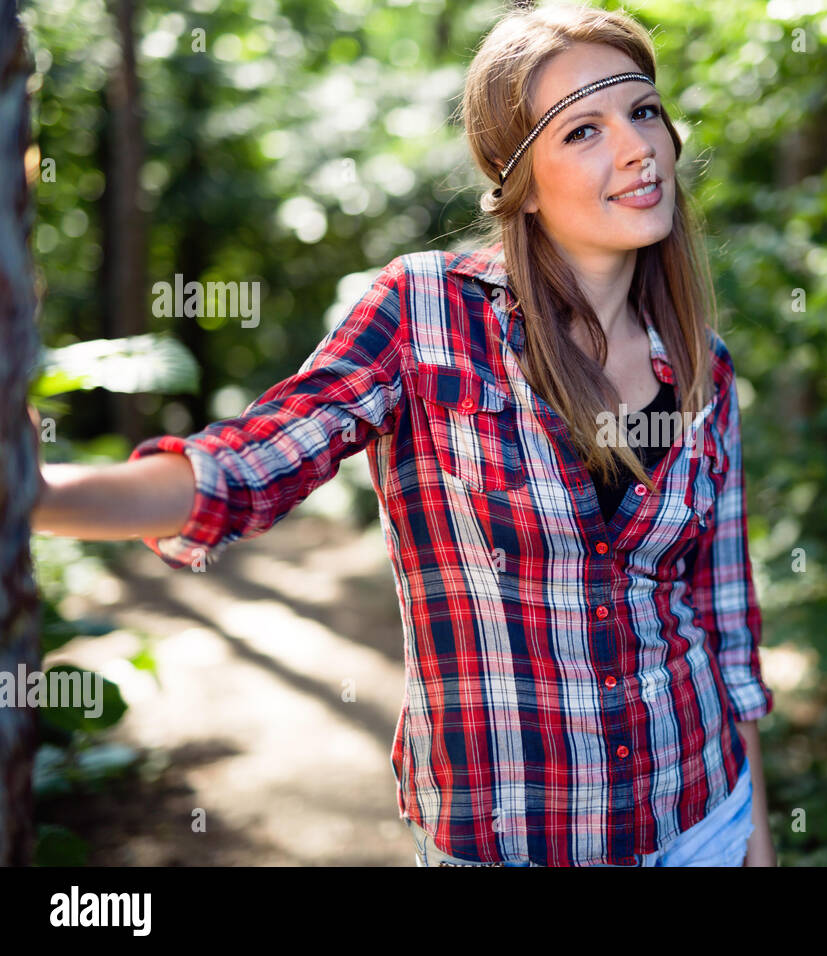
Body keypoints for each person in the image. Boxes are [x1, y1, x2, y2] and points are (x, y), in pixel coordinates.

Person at [29, 2, 776, 867]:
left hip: (700, 815)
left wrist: (755, 842)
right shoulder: (426, 315)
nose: (638, 145)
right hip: (505, 840)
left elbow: (723, 619)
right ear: (518, 182)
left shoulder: (702, 366)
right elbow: (253, 462)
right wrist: (39, 497)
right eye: (583, 131)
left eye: (644, 110)